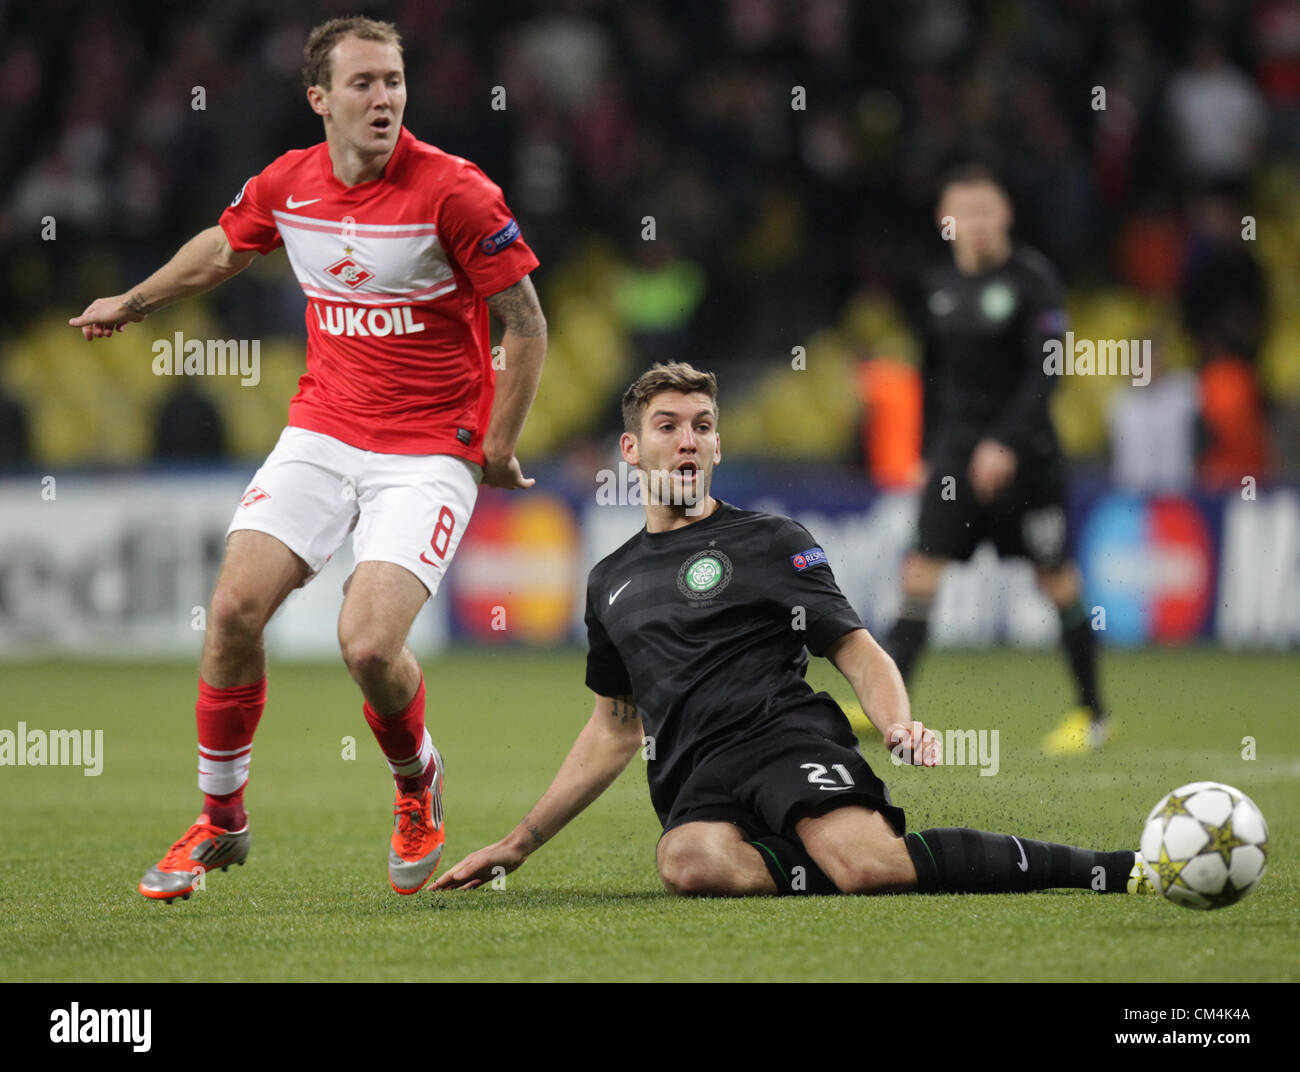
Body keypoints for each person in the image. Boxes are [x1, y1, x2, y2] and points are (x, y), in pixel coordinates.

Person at [68, 17, 546, 900]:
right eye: (363, 83)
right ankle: (220, 821)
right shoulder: (289, 183)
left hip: (426, 449)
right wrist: (133, 300)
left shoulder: (456, 192)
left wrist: (497, 444)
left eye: (395, 81)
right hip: (324, 430)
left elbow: (525, 322)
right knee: (233, 609)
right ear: (320, 99)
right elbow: (222, 248)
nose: (385, 99)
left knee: (366, 644)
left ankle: (417, 785)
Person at [433, 363, 1150, 898]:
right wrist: (519, 843)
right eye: (668, 427)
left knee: (869, 867)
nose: (688, 442)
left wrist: (898, 723)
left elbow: (855, 646)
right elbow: (615, 728)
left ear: (717, 446)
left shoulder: (770, 539)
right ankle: (820, 854)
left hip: (783, 742)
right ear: (632, 450)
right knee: (687, 862)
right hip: (694, 777)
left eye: (703, 427)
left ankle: (1107, 869)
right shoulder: (610, 582)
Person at [885, 163, 1108, 754]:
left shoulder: (1035, 282)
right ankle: (890, 711)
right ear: (944, 222)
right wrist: (927, 455)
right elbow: (931, 380)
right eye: (963, 213)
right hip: (956, 459)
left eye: (986, 211)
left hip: (1028, 459)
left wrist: (1006, 442)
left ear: (1004, 215)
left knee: (1055, 579)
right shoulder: (937, 289)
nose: (975, 224)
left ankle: (1093, 714)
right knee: (918, 576)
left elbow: (1046, 372)